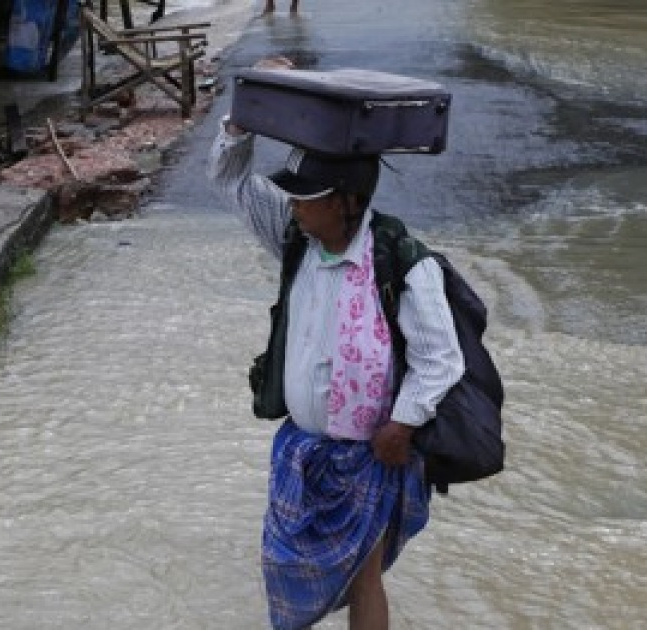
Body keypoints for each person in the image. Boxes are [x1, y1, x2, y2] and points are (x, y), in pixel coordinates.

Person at [208, 68, 465, 629]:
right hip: (300, 452)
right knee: (281, 564)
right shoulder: (295, 241)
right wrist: (242, 121)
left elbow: (440, 358)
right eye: (294, 197)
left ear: (347, 202)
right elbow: (230, 184)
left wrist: (402, 425)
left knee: (366, 575)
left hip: (369, 457)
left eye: (308, 198)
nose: (295, 206)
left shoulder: (402, 263)